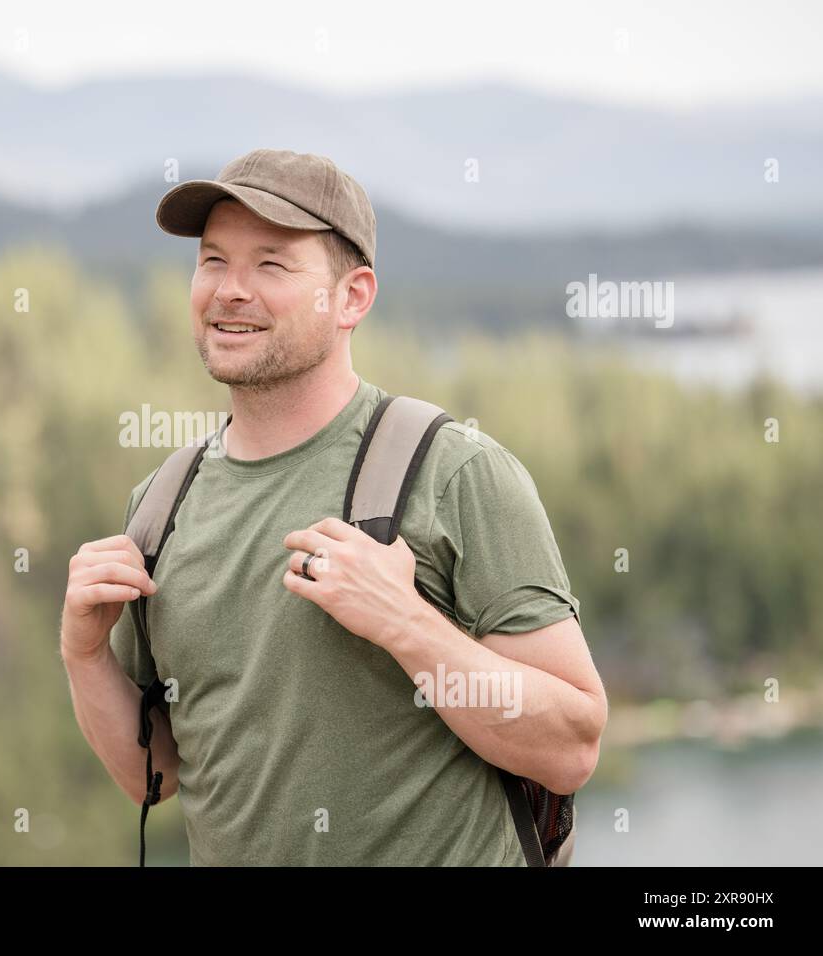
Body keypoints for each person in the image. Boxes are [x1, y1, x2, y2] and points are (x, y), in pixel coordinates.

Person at [60, 148, 607, 865]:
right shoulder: (161, 504)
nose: (229, 290)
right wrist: (84, 653)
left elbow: (572, 747)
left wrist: (406, 624)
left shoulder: (455, 474)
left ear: (352, 297)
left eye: (271, 265)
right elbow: (154, 775)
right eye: (214, 260)